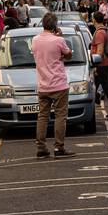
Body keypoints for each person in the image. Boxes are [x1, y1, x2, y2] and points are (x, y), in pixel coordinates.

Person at [32, 13, 74, 158]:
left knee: (42, 116)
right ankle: (59, 147)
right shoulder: (59, 40)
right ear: (55, 25)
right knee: (60, 116)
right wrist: (60, 38)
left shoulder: (35, 40)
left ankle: (41, 148)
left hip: (43, 85)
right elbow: (69, 55)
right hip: (59, 84)